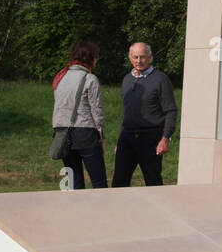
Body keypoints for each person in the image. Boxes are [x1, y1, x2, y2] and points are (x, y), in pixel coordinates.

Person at [113, 42, 177, 187]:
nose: (139, 61)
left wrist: (165, 138)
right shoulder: (126, 79)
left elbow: (170, 110)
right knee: (119, 182)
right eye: (135, 57)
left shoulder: (160, 79)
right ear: (130, 58)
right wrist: (120, 139)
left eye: (142, 57)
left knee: (153, 181)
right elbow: (126, 112)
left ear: (150, 58)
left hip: (150, 138)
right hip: (127, 138)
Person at [52, 42, 106, 190]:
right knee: (99, 182)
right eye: (96, 57)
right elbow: (97, 111)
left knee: (74, 184)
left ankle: (76, 212)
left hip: (62, 134)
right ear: (89, 58)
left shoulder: (60, 77)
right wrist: (101, 136)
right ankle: (102, 212)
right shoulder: (90, 79)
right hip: (86, 133)